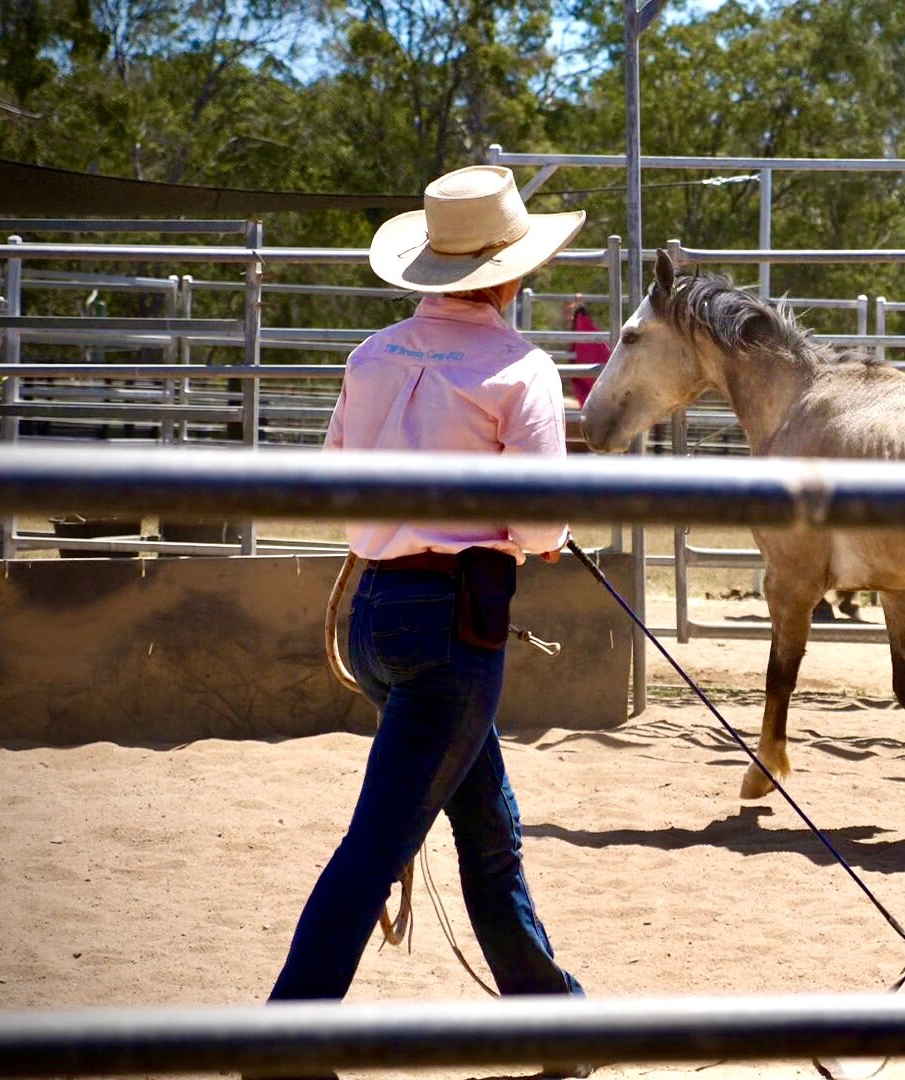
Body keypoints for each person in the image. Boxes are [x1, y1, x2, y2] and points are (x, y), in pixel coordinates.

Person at [266, 164, 591, 1077]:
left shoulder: (371, 355)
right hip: (454, 632)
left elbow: (336, 473)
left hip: (377, 615)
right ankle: (286, 1036)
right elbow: (537, 519)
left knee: (488, 829)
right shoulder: (521, 369)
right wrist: (542, 537)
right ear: (510, 270)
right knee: (383, 842)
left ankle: (558, 1024)